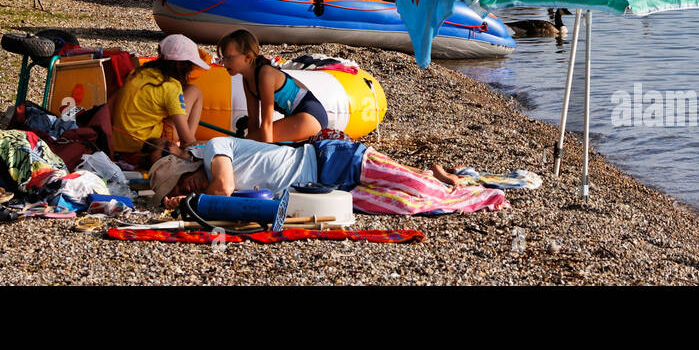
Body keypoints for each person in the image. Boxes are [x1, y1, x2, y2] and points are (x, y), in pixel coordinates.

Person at [152, 135, 507, 216]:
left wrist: (189, 200)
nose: (188, 186)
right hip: (319, 193)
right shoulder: (206, 183)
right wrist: (188, 202)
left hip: (330, 160)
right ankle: (463, 196)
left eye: (183, 180)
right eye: (181, 188)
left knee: (416, 184)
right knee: (406, 205)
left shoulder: (216, 148)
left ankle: (440, 176)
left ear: (188, 166)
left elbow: (223, 189)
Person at [110, 34, 211, 160]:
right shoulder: (170, 86)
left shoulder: (138, 73)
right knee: (194, 91)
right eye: (190, 66)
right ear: (181, 65)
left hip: (119, 145)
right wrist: (194, 144)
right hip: (146, 145)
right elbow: (183, 134)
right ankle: (188, 148)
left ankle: (188, 145)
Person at [215, 28, 325, 143]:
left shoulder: (265, 75)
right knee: (248, 142)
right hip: (298, 115)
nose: (224, 63)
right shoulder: (246, 78)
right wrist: (250, 145)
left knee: (248, 142)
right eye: (223, 58)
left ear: (248, 57)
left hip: (311, 114)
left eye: (229, 58)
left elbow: (266, 123)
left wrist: (264, 153)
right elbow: (253, 120)